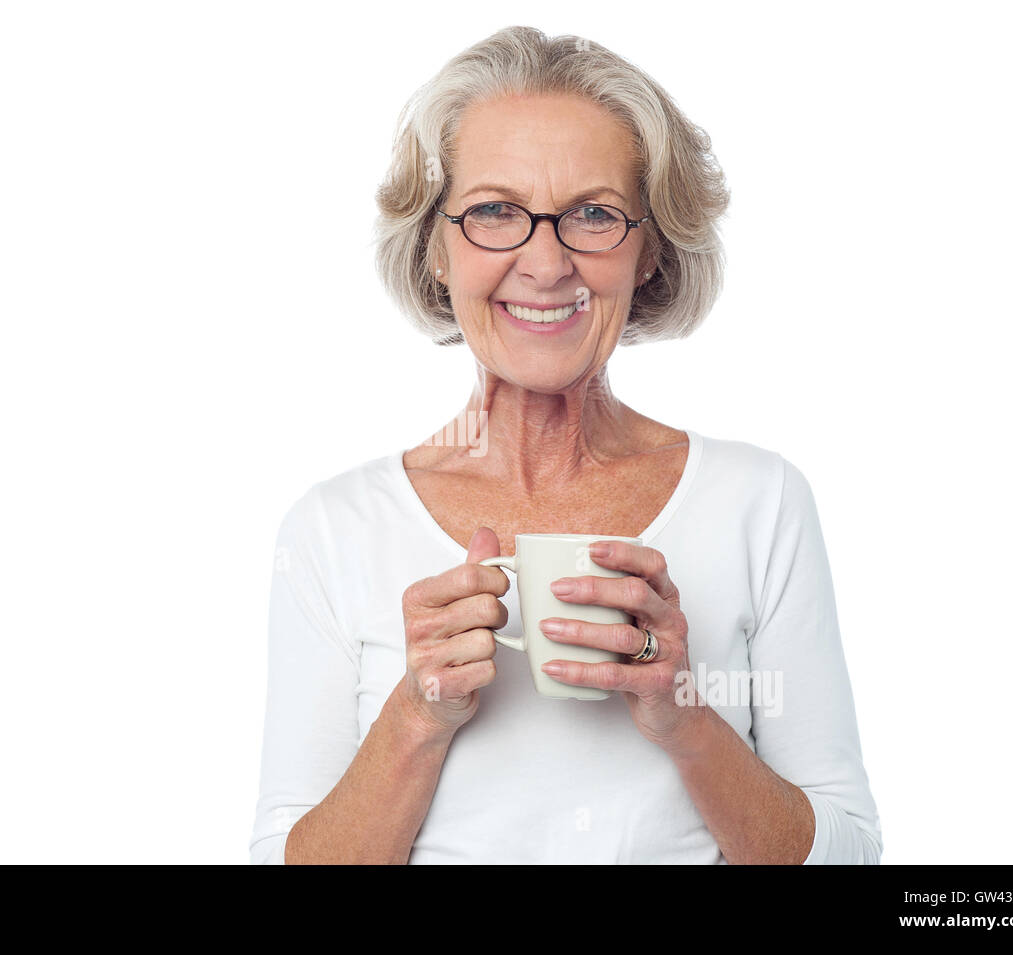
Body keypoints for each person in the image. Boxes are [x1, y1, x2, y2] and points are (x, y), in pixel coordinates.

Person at [249, 25, 881, 864]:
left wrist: (685, 713)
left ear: (649, 249)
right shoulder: (332, 529)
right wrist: (416, 716)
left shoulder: (760, 503)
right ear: (437, 247)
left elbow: (851, 854)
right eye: (494, 212)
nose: (545, 263)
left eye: (592, 213)